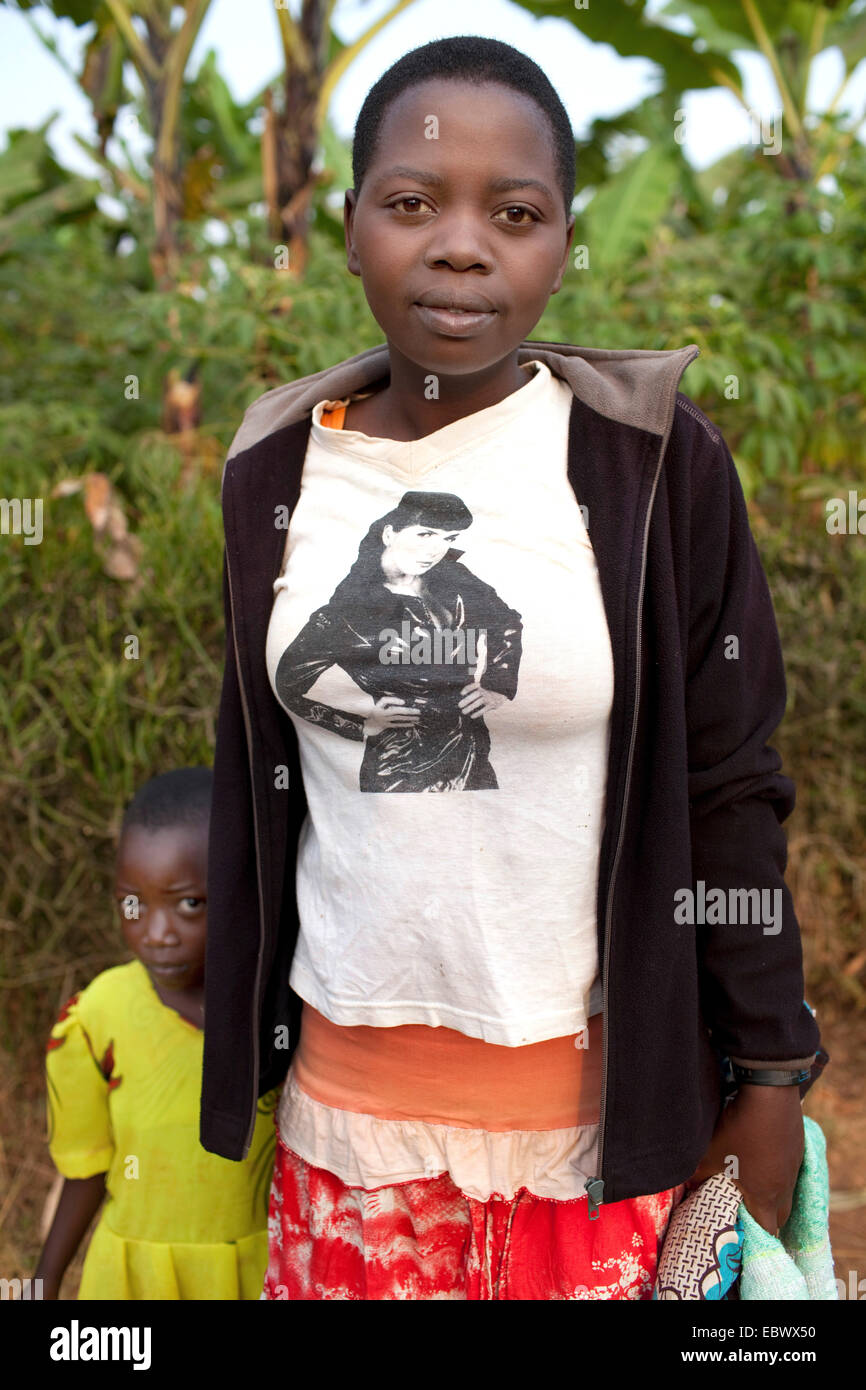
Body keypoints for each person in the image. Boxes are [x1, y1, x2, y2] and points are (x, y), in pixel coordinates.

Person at [199, 36, 825, 1300]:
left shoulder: (650, 467)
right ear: (351, 221)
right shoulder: (275, 473)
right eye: (414, 202)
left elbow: (727, 784)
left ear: (560, 240)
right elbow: (257, 782)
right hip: (346, 1139)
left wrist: (766, 1074)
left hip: (594, 1149)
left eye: (515, 212)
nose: (461, 245)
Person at [35, 768, 279, 1300]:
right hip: (131, 1280)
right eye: (133, 903)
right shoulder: (97, 1018)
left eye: (189, 903)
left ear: (242, 890)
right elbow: (87, 1173)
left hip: (257, 1271)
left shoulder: (276, 1006)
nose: (157, 933)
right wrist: (45, 1280)